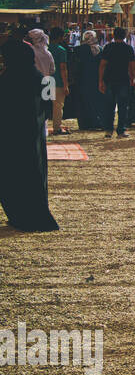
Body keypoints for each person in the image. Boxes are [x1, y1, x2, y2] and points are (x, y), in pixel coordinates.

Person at [0, 36, 59, 231]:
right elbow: (49, 104)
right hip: (32, 134)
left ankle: (17, 213)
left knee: (11, 175)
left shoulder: (6, 80)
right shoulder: (41, 79)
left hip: (8, 136)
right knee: (33, 172)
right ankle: (34, 213)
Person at [98, 27, 135, 138]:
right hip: (123, 80)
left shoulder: (108, 47)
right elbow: (133, 67)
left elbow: (102, 65)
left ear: (113, 35)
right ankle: (121, 130)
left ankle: (108, 130)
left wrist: (100, 81)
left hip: (109, 80)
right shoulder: (128, 48)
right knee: (122, 107)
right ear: (125, 36)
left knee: (109, 106)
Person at [73, 29, 104, 132]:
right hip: (96, 79)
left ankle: (84, 123)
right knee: (96, 102)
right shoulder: (100, 49)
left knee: (83, 102)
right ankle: (96, 122)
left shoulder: (78, 50)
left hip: (82, 80)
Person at [48, 27, 71, 135]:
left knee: (45, 105)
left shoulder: (45, 48)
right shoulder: (61, 50)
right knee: (58, 106)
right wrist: (66, 85)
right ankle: (57, 127)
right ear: (60, 37)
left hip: (45, 81)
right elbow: (63, 68)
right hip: (58, 81)